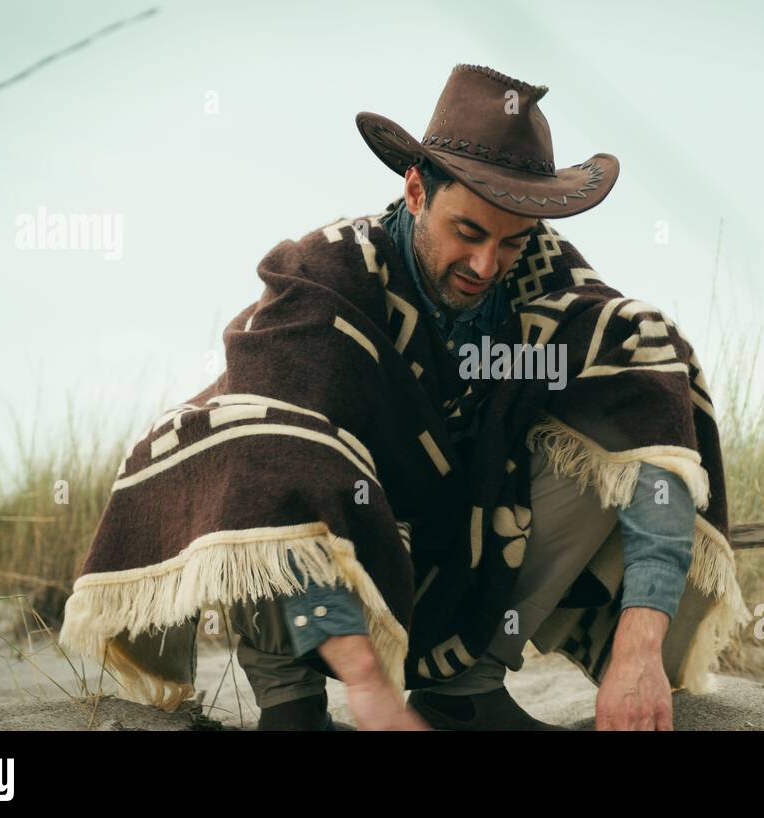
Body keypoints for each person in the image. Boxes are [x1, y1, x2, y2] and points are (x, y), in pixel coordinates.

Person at [235, 154, 698, 731]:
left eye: (510, 242)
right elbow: (280, 474)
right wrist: (365, 680)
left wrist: (640, 646)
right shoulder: (328, 274)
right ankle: (289, 701)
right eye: (469, 232)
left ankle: (463, 695)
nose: (486, 264)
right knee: (253, 439)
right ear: (415, 191)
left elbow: (654, 421)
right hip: (341, 544)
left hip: (460, 536)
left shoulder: (541, 270)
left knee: (631, 385)